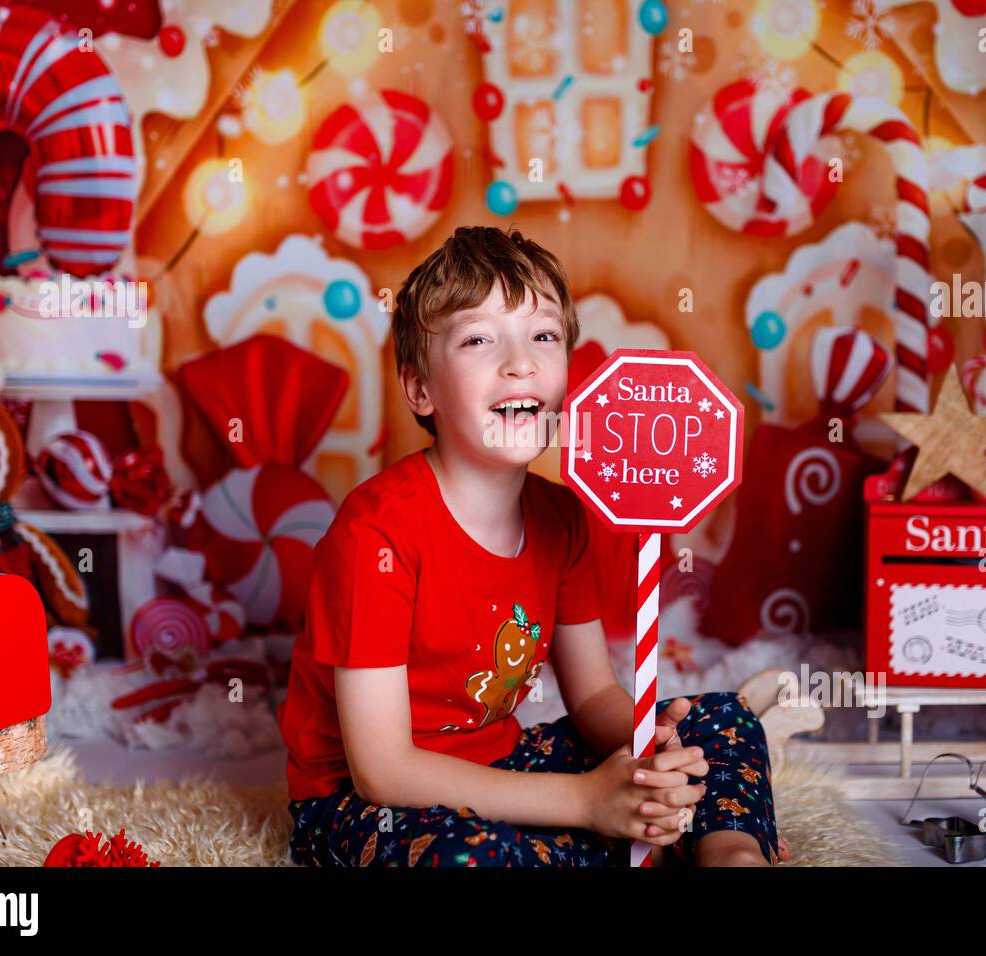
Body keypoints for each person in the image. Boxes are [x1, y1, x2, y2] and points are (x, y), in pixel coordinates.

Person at [277, 226, 787, 867]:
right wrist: (585, 802)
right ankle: (612, 837)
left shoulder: (563, 518)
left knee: (720, 720)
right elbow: (383, 770)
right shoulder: (374, 533)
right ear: (420, 390)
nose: (520, 361)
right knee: (469, 855)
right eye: (478, 339)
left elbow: (594, 696)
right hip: (361, 801)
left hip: (500, 760)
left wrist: (651, 744)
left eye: (542, 335)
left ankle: (729, 853)